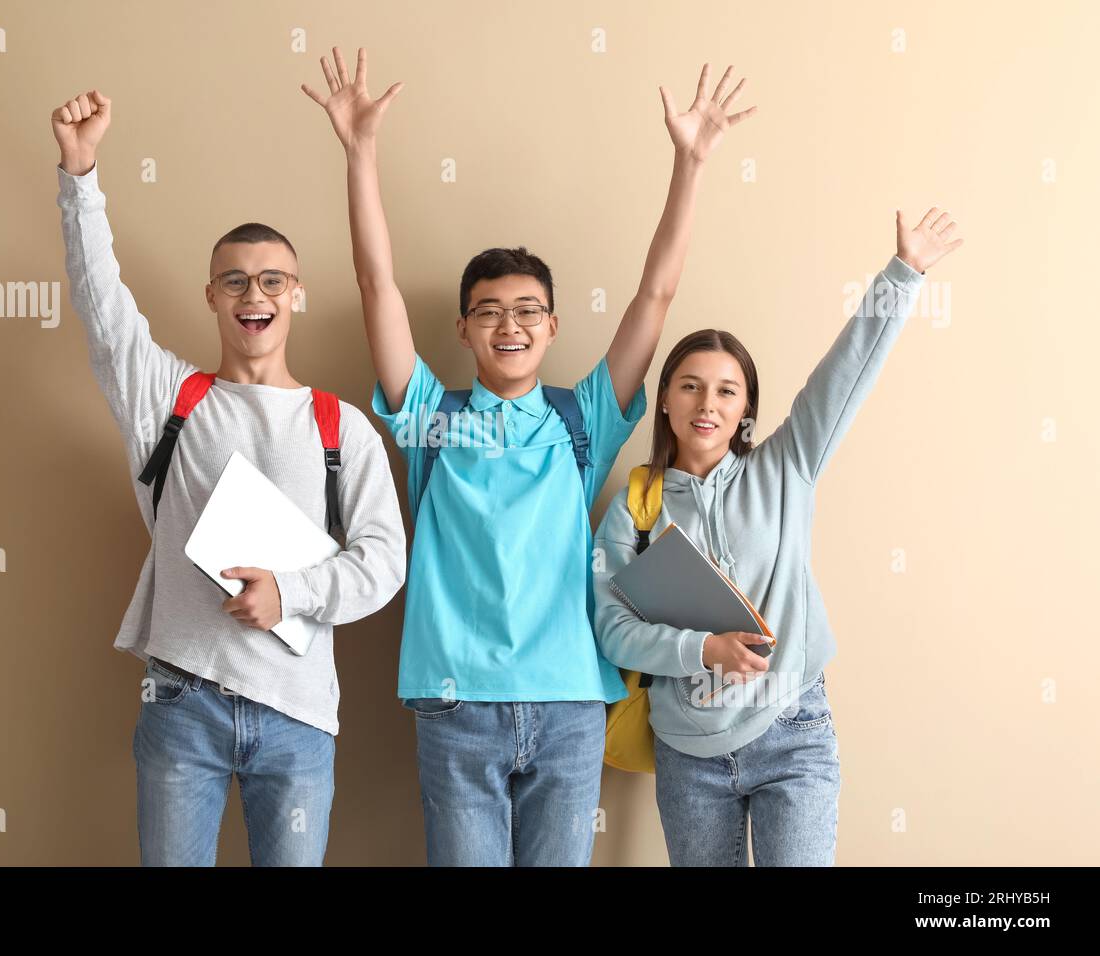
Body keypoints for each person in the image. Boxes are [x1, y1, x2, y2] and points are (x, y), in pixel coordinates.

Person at [304, 48, 755, 865]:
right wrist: (359, 154)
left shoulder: (582, 420)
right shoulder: (429, 419)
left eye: (527, 311)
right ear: (463, 330)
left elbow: (654, 296)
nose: (508, 325)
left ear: (550, 327)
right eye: (488, 313)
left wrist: (689, 166)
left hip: (569, 704)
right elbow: (379, 286)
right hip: (454, 704)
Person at [51, 89, 406, 866]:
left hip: (300, 718)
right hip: (182, 702)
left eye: (273, 280)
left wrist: (292, 591)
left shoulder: (339, 425)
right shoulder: (170, 400)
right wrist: (81, 173)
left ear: (298, 295)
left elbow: (385, 561)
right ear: (211, 295)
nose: (256, 296)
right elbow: (102, 305)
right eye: (236, 281)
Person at [593, 207, 963, 865]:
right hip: (688, 754)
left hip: (793, 732)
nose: (708, 403)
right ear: (668, 402)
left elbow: (845, 374)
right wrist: (701, 648)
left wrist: (903, 274)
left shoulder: (786, 467)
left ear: (745, 412)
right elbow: (611, 630)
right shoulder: (635, 508)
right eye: (691, 386)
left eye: (727, 392)